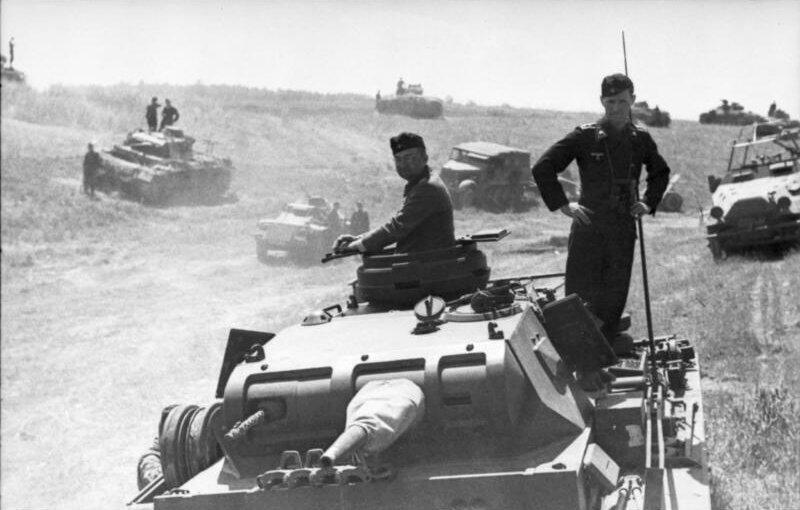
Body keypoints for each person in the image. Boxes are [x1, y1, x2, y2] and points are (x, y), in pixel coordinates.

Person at [531, 73, 670, 383]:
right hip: (589, 228)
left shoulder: (640, 138)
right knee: (580, 299)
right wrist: (565, 205)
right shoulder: (585, 136)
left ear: (633, 100)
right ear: (601, 102)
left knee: (613, 298)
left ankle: (599, 366)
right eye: (610, 102)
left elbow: (660, 172)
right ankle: (582, 368)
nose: (616, 108)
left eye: (622, 101)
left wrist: (647, 203)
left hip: (622, 229)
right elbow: (543, 167)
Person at [334, 132, 454, 254]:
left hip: (427, 265)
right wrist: (360, 239)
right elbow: (400, 223)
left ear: (424, 158)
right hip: (422, 261)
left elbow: (397, 227)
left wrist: (358, 245)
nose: (403, 164)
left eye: (408, 157)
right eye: (398, 159)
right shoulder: (421, 182)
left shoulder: (427, 187)